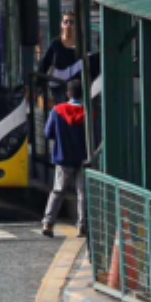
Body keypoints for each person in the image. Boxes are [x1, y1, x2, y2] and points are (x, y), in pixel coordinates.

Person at [42, 78, 88, 237]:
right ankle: (82, 225)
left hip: (63, 158)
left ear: (68, 94)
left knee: (58, 190)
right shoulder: (89, 112)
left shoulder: (57, 110)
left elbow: (48, 133)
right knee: (82, 193)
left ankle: (48, 223)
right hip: (83, 159)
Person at [39, 12, 82, 103]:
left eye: (71, 22)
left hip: (76, 87)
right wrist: (38, 86)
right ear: (62, 25)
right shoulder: (56, 43)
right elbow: (45, 63)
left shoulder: (81, 44)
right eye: (65, 22)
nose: (68, 25)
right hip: (58, 85)